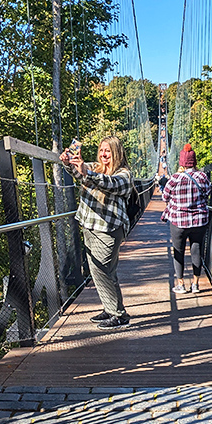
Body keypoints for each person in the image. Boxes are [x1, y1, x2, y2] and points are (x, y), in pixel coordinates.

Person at [60, 136, 134, 328]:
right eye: (101, 150)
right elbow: (79, 174)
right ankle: (111, 309)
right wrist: (69, 164)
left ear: (116, 152)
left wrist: (87, 172)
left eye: (107, 151)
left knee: (100, 270)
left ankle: (119, 315)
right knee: (106, 271)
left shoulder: (124, 174)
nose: (103, 154)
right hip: (89, 226)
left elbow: (111, 184)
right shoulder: (95, 166)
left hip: (108, 229)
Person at [161, 143, 210, 294]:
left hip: (178, 222)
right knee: (196, 250)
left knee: (178, 251)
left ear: (181, 162)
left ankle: (180, 284)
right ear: (194, 162)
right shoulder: (202, 176)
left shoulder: (175, 178)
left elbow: (165, 197)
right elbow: (208, 191)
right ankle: (195, 284)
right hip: (199, 221)